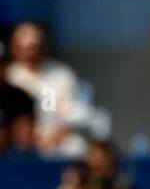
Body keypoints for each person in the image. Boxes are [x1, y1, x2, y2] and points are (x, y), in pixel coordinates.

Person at [5, 21, 93, 158]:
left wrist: (55, 136)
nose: (32, 51)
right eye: (26, 47)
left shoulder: (62, 74)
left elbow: (76, 113)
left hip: (60, 141)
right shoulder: (8, 76)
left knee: (78, 148)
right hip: (18, 144)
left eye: (36, 46)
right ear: (14, 47)